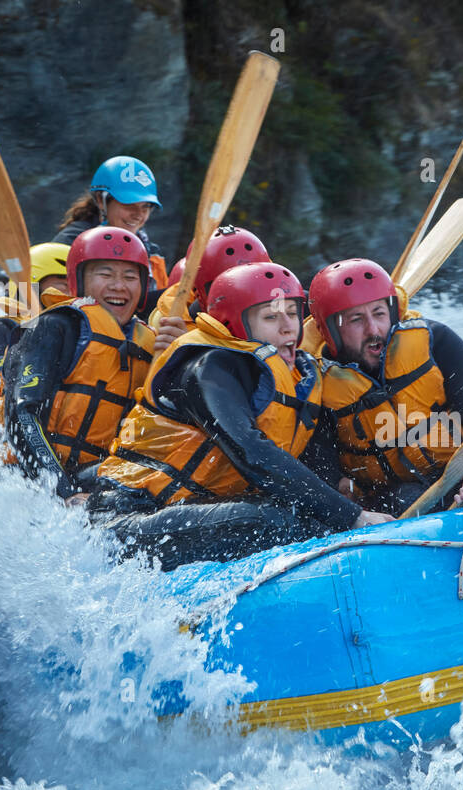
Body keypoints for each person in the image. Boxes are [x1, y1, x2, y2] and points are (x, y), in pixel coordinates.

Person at [91, 262, 391, 568]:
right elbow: (253, 453)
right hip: (126, 521)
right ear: (236, 325)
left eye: (291, 313)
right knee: (275, 521)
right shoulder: (206, 368)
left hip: (196, 514)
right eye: (271, 317)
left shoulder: (301, 378)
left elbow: (314, 463)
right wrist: (352, 517)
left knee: (309, 515)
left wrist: (351, 498)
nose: (288, 327)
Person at [309, 258, 463, 514]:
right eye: (356, 320)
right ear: (329, 331)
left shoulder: (437, 341)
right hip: (392, 496)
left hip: (462, 471)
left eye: (379, 314)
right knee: (404, 498)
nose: (373, 330)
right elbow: (320, 464)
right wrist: (341, 490)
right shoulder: (316, 383)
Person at [3, 226, 155, 499]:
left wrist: (172, 356)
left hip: (96, 478)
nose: (119, 285)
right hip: (30, 477)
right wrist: (62, 490)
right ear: (78, 282)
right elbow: (21, 415)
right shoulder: (53, 327)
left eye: (130, 276)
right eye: (105, 274)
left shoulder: (152, 343)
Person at [0, 242, 71, 419]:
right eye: (62, 284)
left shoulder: (74, 333)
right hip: (0, 430)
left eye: (75, 285)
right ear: (32, 286)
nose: (71, 293)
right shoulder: (2, 329)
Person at [55, 155, 169, 305]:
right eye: (129, 205)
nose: (138, 215)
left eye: (145, 207)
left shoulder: (152, 253)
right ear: (101, 201)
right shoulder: (70, 243)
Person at [148, 225, 270, 355]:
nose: (243, 297)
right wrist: (185, 354)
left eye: (251, 286)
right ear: (201, 290)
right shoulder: (170, 325)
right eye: (229, 288)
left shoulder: (283, 317)